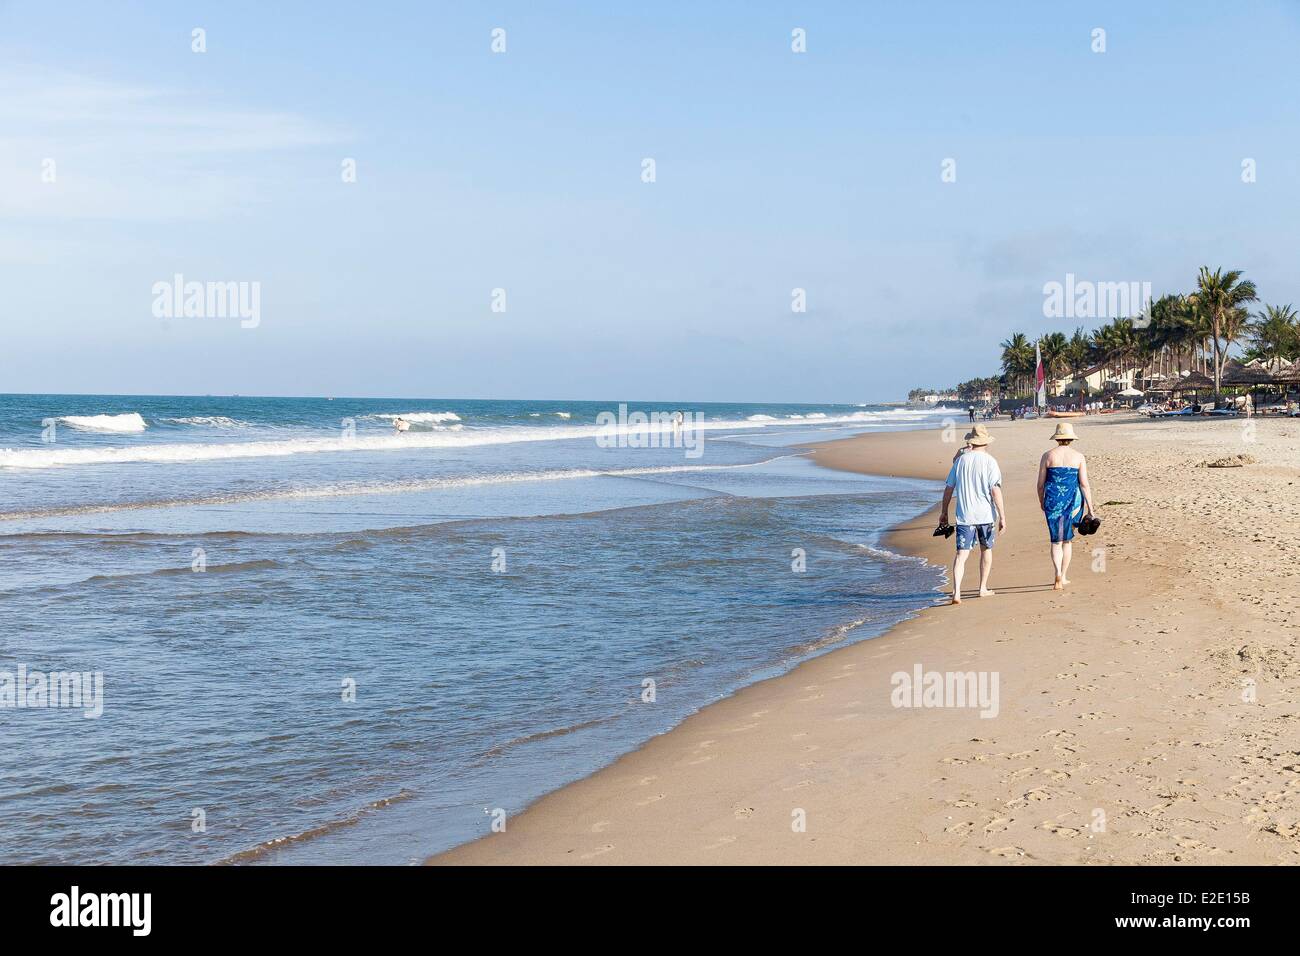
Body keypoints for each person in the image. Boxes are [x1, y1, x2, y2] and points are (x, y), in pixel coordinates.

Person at [939, 424, 1005, 605]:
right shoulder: (990, 461)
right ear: (986, 442)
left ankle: (957, 593)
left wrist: (944, 512)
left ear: (971, 442)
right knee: (986, 550)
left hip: (964, 515)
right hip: (985, 515)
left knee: (961, 554)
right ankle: (982, 588)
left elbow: (948, 489)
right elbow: (995, 490)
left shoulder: (960, 461)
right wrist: (1002, 515)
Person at [1036, 422, 1095, 590]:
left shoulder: (1047, 455)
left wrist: (1042, 501)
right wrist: (1091, 508)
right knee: (1067, 540)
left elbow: (1040, 484)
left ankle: (1057, 575)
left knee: (1056, 541)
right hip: (1073, 501)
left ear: (1057, 438)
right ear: (1071, 438)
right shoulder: (1078, 456)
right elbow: (1084, 484)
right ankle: (1064, 575)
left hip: (1053, 500)